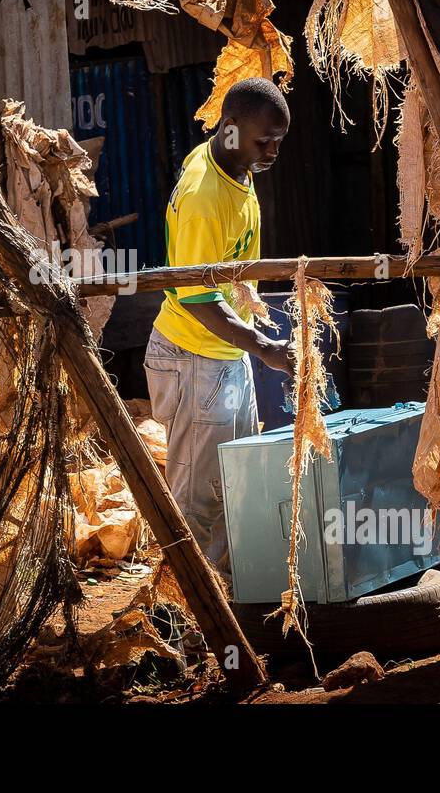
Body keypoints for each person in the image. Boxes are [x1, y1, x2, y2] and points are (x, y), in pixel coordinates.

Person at [144, 77, 292, 581]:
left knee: (234, 486)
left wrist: (249, 324)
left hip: (222, 355)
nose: (272, 152)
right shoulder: (207, 195)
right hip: (193, 358)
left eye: (278, 141)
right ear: (230, 130)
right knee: (199, 502)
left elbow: (223, 272)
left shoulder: (234, 165)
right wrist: (264, 346)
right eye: (263, 141)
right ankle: (187, 617)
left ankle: (233, 604)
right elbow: (197, 296)